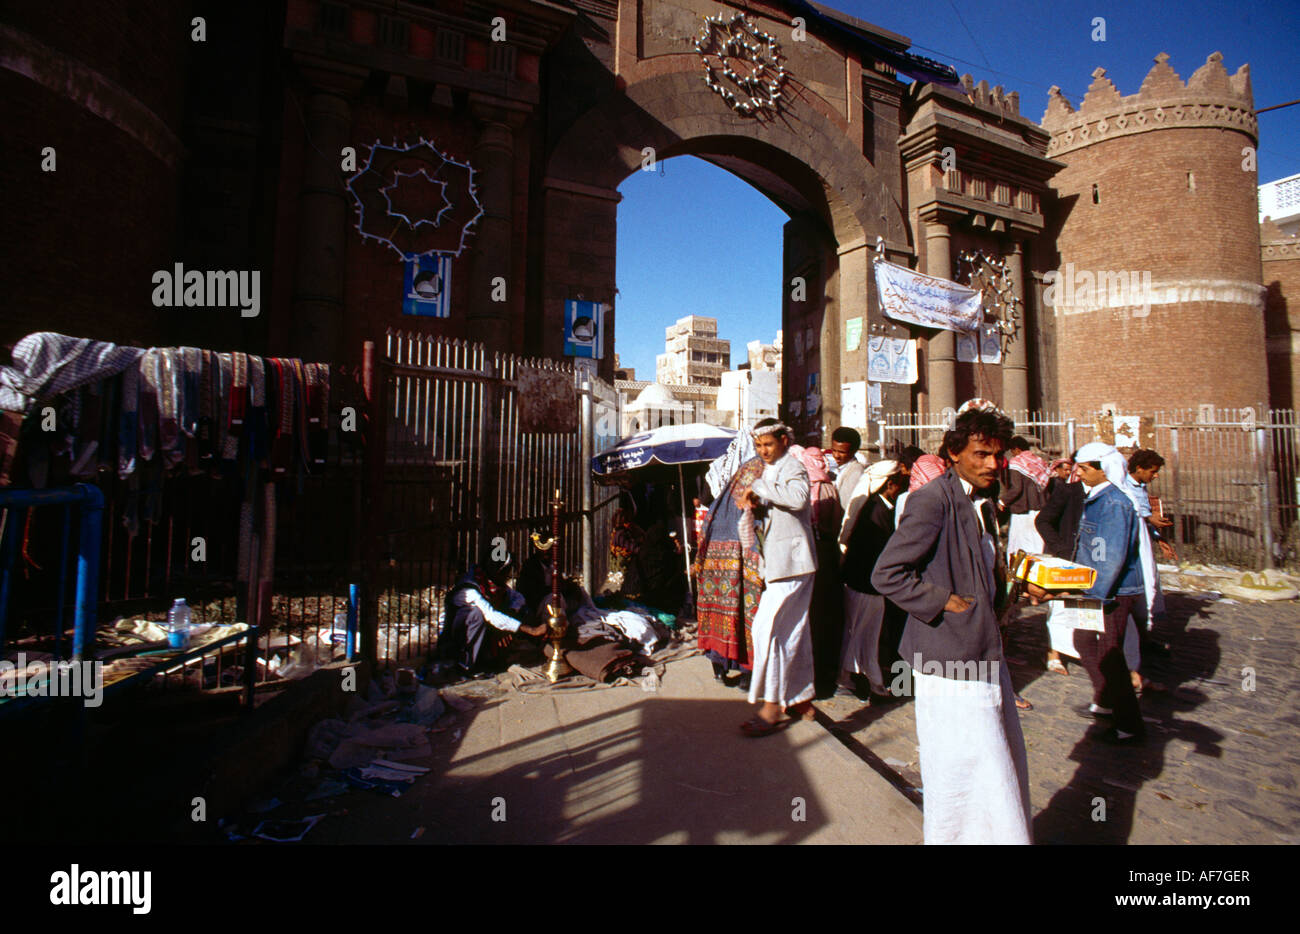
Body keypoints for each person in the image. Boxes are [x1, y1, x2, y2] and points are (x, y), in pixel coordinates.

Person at [872, 405, 1032, 844]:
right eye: (981, 454)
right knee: (965, 765)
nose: (991, 464)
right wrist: (944, 601)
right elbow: (887, 573)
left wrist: (1019, 588)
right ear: (953, 452)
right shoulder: (932, 500)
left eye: (997, 455)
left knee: (995, 760)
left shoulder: (983, 499)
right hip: (950, 658)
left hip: (983, 650)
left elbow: (979, 567)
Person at [1032, 442, 1147, 745]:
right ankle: (1105, 700)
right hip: (1094, 585)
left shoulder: (1113, 503)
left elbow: (1111, 559)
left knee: (1110, 653)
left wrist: (1090, 593)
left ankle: (1129, 725)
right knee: (1083, 639)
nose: (1077, 474)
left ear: (1103, 469)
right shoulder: (1098, 498)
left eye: (1084, 469)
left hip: (1112, 591)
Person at [738, 418, 818, 736]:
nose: (763, 451)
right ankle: (801, 698)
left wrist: (757, 488)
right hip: (779, 564)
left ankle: (772, 705)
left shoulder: (793, 466)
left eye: (768, 444)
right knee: (791, 632)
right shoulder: (770, 471)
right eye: (758, 446)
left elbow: (798, 498)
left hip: (794, 563)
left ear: (784, 440)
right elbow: (777, 506)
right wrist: (756, 504)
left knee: (768, 631)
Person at [694, 452, 766, 686]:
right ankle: (748, 672)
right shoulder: (763, 474)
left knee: (724, 608)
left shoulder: (740, 477)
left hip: (719, 555)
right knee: (750, 612)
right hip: (747, 554)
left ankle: (720, 665)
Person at [839, 460, 907, 700]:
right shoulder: (876, 510)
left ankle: (855, 678)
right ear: (890, 484)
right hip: (866, 584)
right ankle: (872, 683)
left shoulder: (879, 507)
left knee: (861, 634)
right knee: (864, 635)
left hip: (865, 583)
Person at [437, 550, 548, 675]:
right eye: (505, 572)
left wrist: (508, 617)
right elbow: (491, 616)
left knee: (514, 611)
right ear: (497, 571)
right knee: (477, 614)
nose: (507, 576)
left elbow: (518, 598)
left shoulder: (492, 584)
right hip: (455, 641)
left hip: (483, 633)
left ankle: (488, 659)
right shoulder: (469, 589)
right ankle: (464, 666)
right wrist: (530, 630)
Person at [1036, 454, 1085, 675]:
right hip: (1065, 555)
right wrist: (1060, 547)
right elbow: (1043, 521)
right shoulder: (1068, 491)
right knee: (1059, 606)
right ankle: (1053, 652)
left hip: (1086, 557)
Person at [1001, 436, 1049, 556]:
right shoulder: (1039, 461)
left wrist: (1002, 502)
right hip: (1039, 508)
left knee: (1020, 547)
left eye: (1012, 451)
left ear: (1016, 449)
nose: (1012, 454)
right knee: (1037, 545)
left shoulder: (1016, 462)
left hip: (1022, 511)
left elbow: (1016, 488)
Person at [829, 427, 865, 514]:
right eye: (834, 450)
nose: (836, 455)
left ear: (853, 451)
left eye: (842, 452)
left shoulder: (855, 472)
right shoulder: (840, 469)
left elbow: (846, 507)